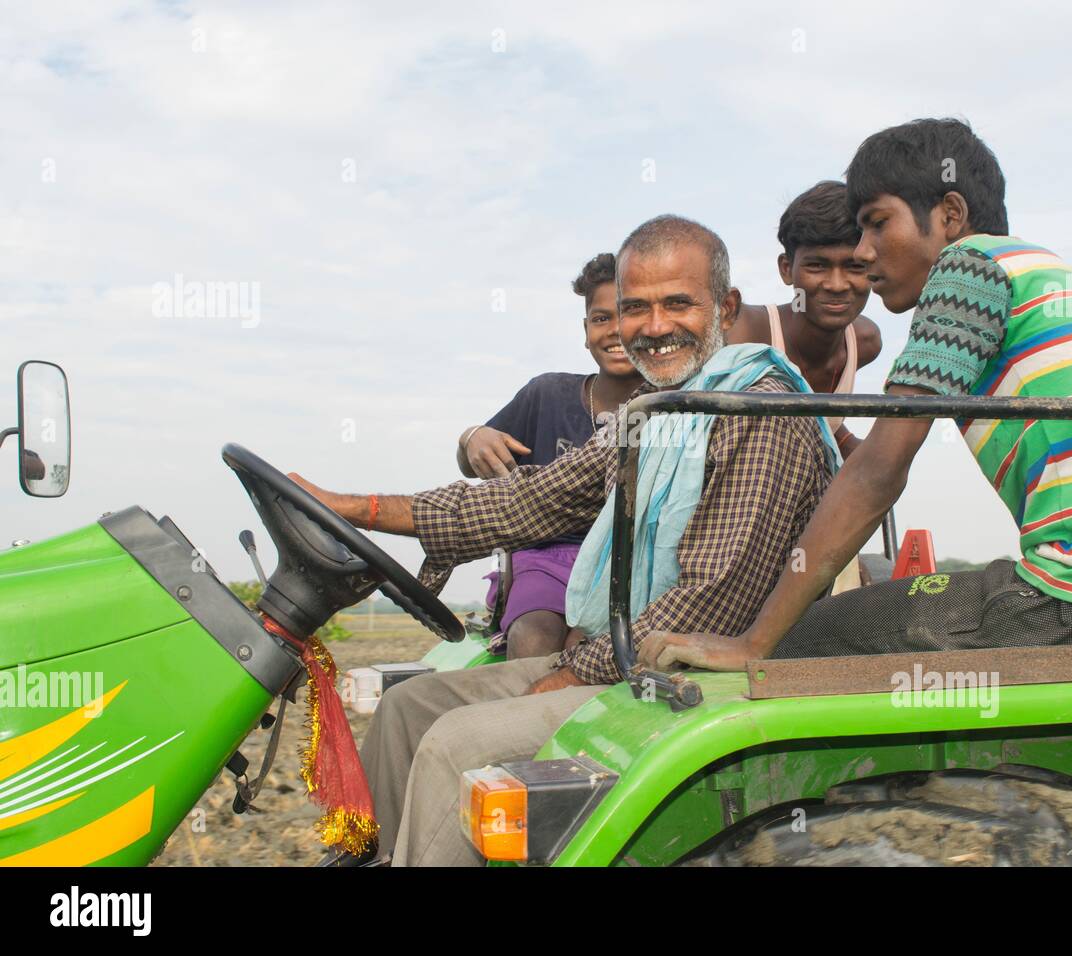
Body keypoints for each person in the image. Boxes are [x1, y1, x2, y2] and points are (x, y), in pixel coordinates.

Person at [289, 214, 837, 865]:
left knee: (455, 746)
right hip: (628, 660)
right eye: (635, 308)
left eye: (677, 303)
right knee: (406, 710)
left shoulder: (758, 414)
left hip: (692, 679)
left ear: (726, 307)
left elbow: (708, 606)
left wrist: (573, 671)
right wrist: (351, 507)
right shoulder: (658, 416)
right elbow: (526, 500)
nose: (654, 326)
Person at [639, 118, 1072, 674]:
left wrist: (752, 644)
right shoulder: (1047, 277)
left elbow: (881, 468)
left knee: (804, 636)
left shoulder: (969, 268)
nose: (865, 251)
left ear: (950, 215)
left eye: (877, 223)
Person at [454, 254, 644, 659]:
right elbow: (471, 463)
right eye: (600, 318)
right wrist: (472, 438)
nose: (614, 332)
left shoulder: (669, 407)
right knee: (535, 636)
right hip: (549, 559)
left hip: (633, 560)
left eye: (626, 315)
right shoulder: (547, 394)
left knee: (618, 648)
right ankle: (527, 717)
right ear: (585, 329)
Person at [727, 180, 882, 457]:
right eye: (817, 265)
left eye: (854, 266)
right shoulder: (743, 335)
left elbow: (812, 418)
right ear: (787, 269)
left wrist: (848, 444)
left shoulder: (865, 343)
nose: (836, 285)